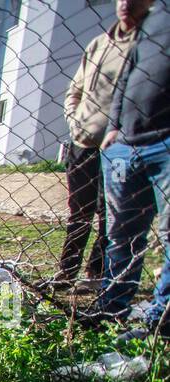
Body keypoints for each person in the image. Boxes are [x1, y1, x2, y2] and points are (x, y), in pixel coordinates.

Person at [57, 0, 151, 288]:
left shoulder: (151, 44)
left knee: (109, 211)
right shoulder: (99, 44)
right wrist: (75, 122)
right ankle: (67, 271)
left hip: (120, 149)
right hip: (83, 143)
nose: (126, 4)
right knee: (79, 210)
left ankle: (95, 273)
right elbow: (75, 91)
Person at [92, 1, 170, 338]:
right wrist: (113, 128)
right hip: (126, 144)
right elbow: (126, 77)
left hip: (166, 144)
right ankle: (112, 309)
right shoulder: (157, 18)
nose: (125, 3)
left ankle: (160, 322)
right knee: (121, 234)